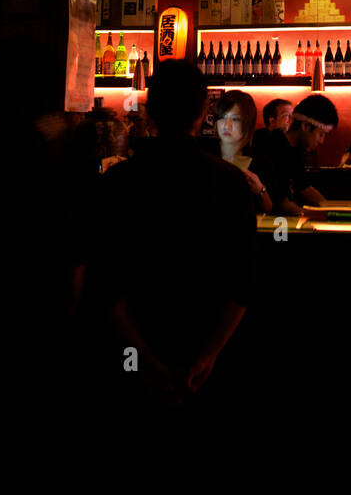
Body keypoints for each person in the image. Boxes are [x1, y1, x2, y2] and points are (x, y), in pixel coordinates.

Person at [96, 60, 255, 408]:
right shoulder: (230, 183)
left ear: (150, 112)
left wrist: (140, 355)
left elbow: (106, 282)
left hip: (134, 347)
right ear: (204, 112)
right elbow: (243, 281)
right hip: (206, 343)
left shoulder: (118, 182)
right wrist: (208, 356)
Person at [251, 94, 335, 213]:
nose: (322, 141)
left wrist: (332, 210)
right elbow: (281, 203)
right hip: (270, 225)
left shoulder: (292, 150)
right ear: (305, 126)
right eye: (321, 134)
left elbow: (305, 188)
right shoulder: (271, 145)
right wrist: (317, 218)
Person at [209, 90, 279, 214]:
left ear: (247, 123)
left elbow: (271, 210)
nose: (227, 125)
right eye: (222, 118)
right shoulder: (205, 157)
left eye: (235, 119)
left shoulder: (261, 163)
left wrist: (260, 190)